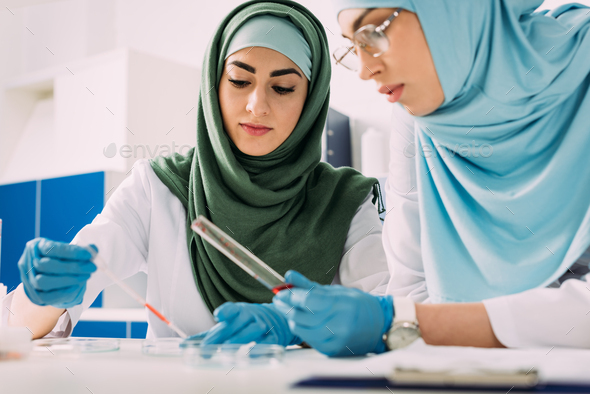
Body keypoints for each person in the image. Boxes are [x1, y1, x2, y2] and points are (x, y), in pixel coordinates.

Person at [4, 0, 390, 342]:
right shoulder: (157, 187)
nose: (257, 105)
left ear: (312, 98)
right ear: (214, 85)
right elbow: (27, 324)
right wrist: (46, 292)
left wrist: (298, 329)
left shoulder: (348, 202)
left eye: (283, 88)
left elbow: (390, 325)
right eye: (240, 80)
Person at [272, 0, 590, 356]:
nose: (364, 70)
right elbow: (412, 289)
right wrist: (302, 327)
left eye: (374, 33)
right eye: (352, 45)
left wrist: (402, 321)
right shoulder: (419, 117)